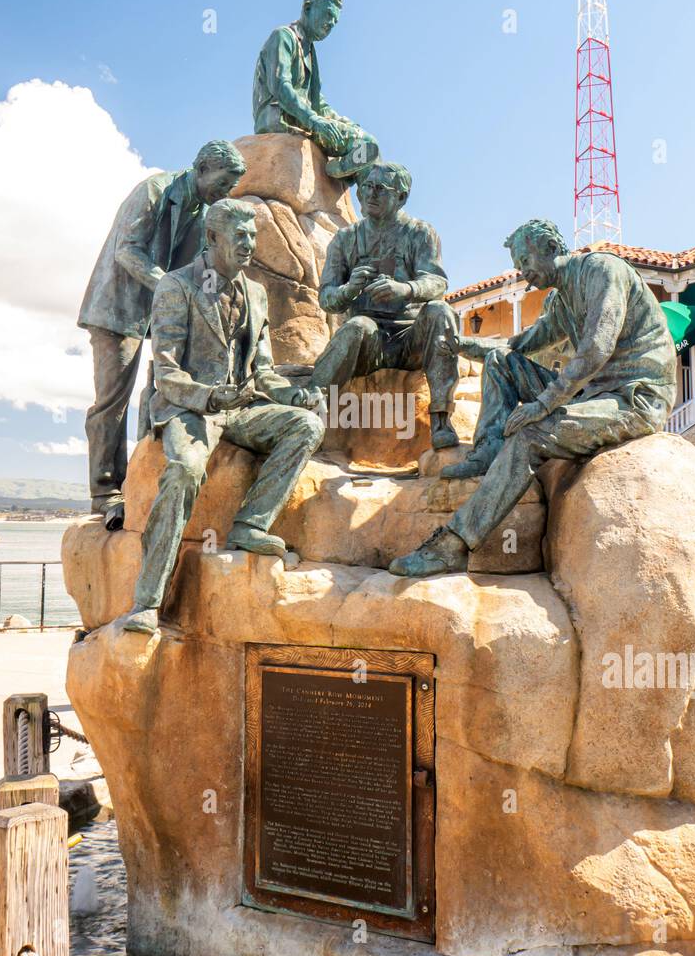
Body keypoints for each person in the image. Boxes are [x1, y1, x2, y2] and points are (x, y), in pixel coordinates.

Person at [389, 218, 677, 577]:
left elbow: (595, 349)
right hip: (595, 394)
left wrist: (543, 405)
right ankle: (488, 452)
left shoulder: (602, 270)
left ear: (551, 248)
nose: (523, 273)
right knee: (500, 362)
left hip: (634, 398)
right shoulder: (560, 299)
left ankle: (454, 544)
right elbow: (519, 345)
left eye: (526, 262)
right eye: (518, 266)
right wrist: (463, 346)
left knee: (531, 435)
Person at [122, 198, 325, 634]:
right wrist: (210, 397)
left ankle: (250, 524)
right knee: (184, 471)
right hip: (192, 406)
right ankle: (147, 601)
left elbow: (264, 372)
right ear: (213, 238)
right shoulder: (176, 286)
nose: (249, 243)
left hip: (244, 407)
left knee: (306, 425)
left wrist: (297, 395)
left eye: (253, 235)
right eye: (240, 236)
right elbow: (167, 373)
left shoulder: (256, 293)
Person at [78, 139, 247, 529]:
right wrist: (172, 288)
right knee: (111, 400)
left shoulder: (205, 212)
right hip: (117, 307)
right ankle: (105, 494)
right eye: (223, 183)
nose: (226, 193)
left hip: (163, 310)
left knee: (162, 386)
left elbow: (203, 268)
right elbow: (128, 250)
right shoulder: (154, 191)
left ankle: (142, 478)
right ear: (202, 169)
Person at [310, 161, 461, 450]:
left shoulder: (420, 233)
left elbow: (437, 282)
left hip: (410, 339)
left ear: (401, 197)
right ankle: (309, 410)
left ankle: (441, 419)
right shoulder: (344, 239)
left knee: (440, 311)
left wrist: (405, 289)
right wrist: (349, 289)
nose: (370, 194)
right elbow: (326, 298)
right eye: (366, 187)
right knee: (356, 325)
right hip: (369, 343)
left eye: (381, 189)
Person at [253, 0, 379, 179]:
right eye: (328, 15)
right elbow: (280, 86)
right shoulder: (283, 36)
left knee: (368, 147)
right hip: (279, 119)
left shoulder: (310, 51)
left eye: (335, 21)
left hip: (304, 120)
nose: (331, 24)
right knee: (365, 144)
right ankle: (340, 170)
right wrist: (314, 121)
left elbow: (318, 103)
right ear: (308, 8)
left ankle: (353, 181)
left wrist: (345, 123)